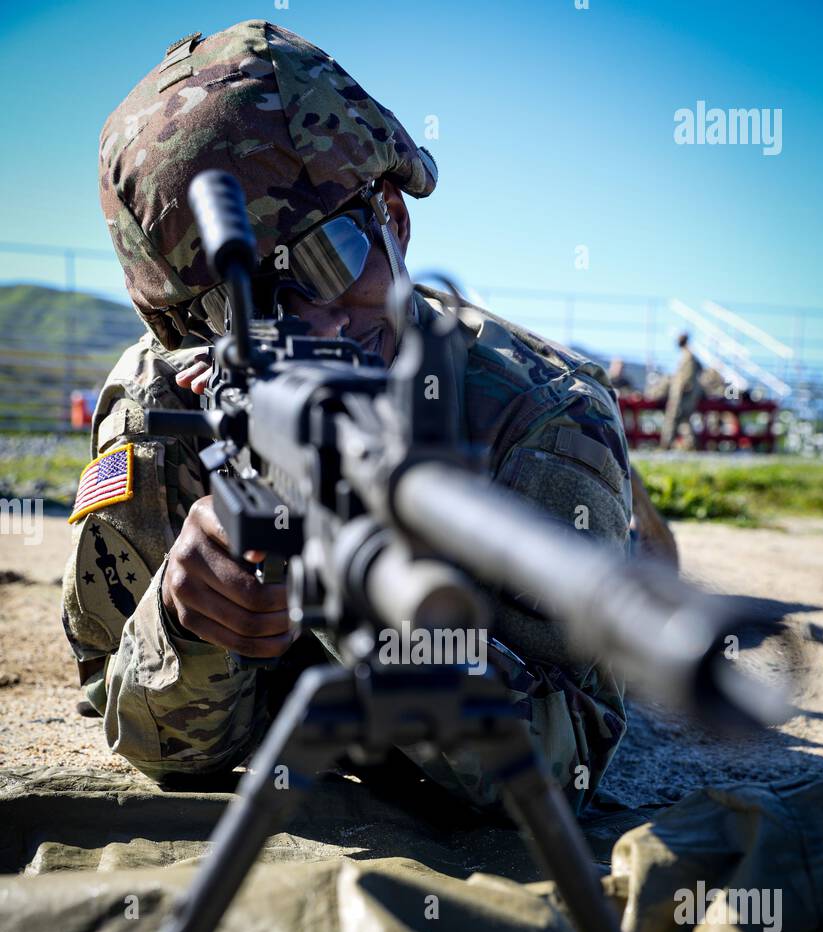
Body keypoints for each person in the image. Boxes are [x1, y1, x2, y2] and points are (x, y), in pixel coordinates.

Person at [62, 19, 636, 813]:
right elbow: (138, 731)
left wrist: (368, 603)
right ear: (191, 331)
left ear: (393, 220)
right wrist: (186, 622)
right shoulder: (160, 416)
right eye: (242, 304)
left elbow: (563, 765)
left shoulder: (543, 418)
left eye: (331, 255)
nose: (312, 326)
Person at [659, 333, 703, 449]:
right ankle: (689, 445)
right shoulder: (688, 355)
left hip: (683, 396)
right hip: (684, 395)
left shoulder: (688, 356)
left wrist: (679, 395)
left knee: (676, 418)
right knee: (683, 421)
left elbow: (686, 379)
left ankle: (667, 445)